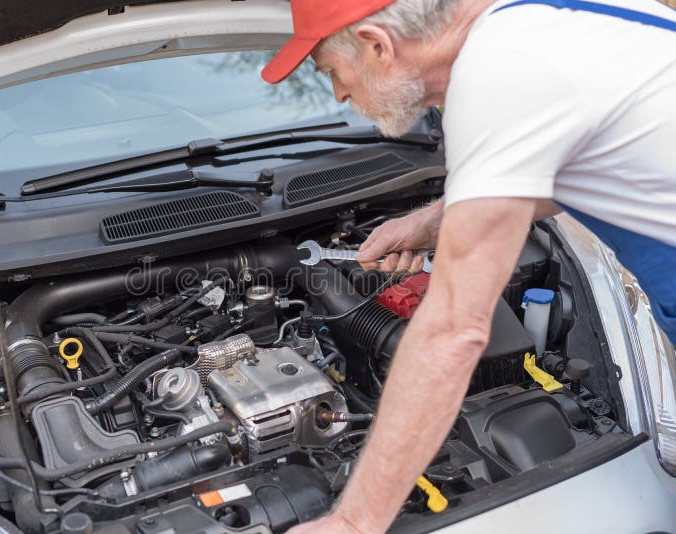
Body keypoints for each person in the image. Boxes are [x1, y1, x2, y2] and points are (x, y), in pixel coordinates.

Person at [260, 0, 676, 532]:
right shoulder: (540, 21)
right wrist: (440, 219)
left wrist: (355, 522)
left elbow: (453, 331)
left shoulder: (495, 77)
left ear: (377, 45)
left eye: (332, 73)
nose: (340, 94)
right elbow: (576, 164)